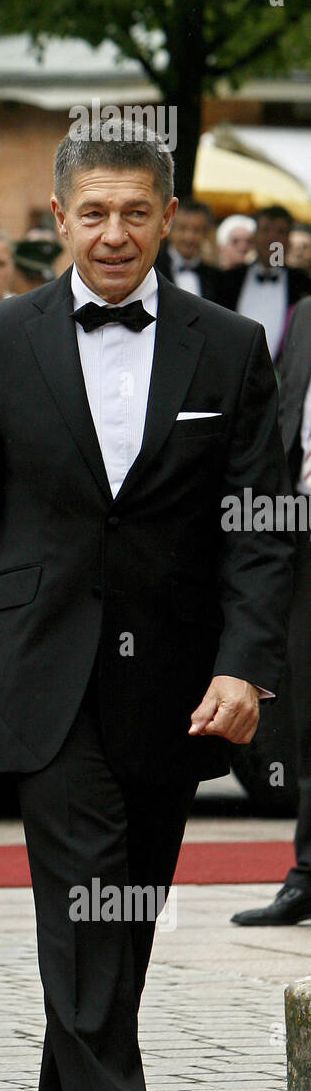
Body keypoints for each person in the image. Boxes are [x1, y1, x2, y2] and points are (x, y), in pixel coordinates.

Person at [0, 121, 293, 1091]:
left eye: (134, 212)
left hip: (175, 684)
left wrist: (245, 665)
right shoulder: (0, 333)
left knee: (120, 918)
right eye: (90, 211)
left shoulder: (229, 346)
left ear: (167, 220)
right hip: (41, 671)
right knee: (89, 907)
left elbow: (258, 529)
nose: (112, 232)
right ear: (57, 218)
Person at [232, 294, 311, 927]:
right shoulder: (306, 312)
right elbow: (284, 417)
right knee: (305, 712)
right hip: (303, 530)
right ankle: (309, 873)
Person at [216, 204, 311, 362]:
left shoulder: (302, 284)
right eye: (265, 230)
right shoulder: (228, 280)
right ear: (254, 237)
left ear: (288, 240)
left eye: (280, 232)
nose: (271, 238)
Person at [153, 198, 222, 301]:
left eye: (197, 230)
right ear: (169, 229)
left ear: (206, 233)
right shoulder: (153, 268)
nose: (189, 237)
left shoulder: (215, 277)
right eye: (182, 228)